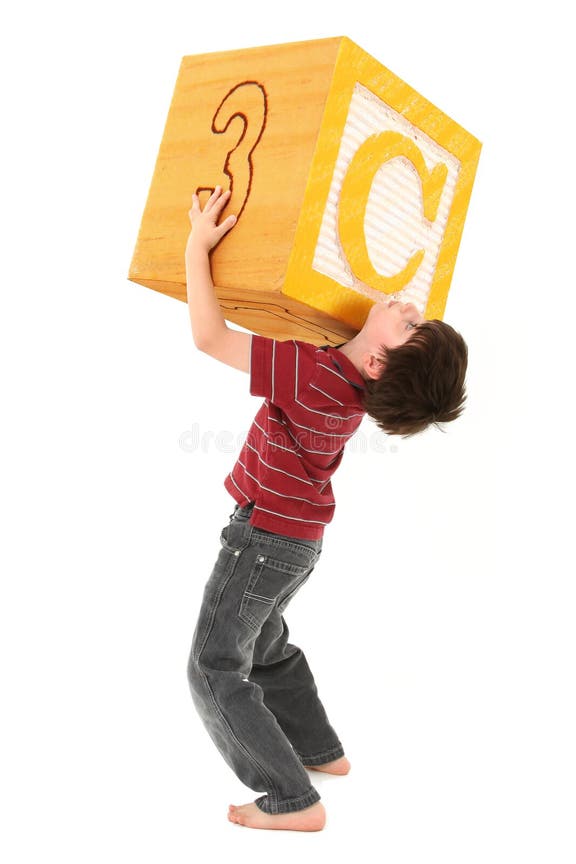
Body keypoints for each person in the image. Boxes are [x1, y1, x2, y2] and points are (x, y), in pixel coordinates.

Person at [185, 186, 468, 832]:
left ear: (376, 361)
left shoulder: (311, 374)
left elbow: (209, 336)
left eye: (412, 327)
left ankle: (293, 798)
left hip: (262, 538)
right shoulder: (342, 379)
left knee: (213, 662)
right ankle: (321, 752)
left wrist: (197, 248)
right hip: (298, 542)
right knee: (266, 644)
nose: (410, 307)